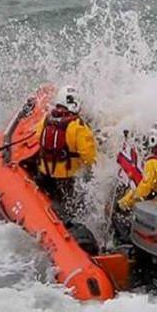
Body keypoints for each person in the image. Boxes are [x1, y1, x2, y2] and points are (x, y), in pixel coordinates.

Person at [35, 85, 97, 221]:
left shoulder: (46, 120)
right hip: (67, 180)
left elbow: (37, 136)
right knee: (75, 208)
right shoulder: (78, 126)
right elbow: (90, 158)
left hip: (44, 175)